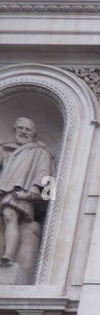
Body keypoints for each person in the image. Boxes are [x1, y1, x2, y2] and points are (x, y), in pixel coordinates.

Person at [0, 117, 55, 273]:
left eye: (27, 129)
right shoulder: (7, 150)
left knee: (9, 215)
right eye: (20, 128)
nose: (23, 132)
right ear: (14, 130)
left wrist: (32, 194)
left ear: (34, 134)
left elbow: (47, 176)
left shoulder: (41, 151)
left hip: (22, 193)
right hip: (4, 191)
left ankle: (8, 256)